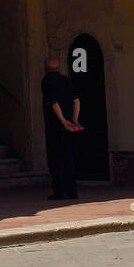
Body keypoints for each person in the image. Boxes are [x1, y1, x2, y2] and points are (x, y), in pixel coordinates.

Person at [40, 56, 81, 200]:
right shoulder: (66, 80)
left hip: (55, 126)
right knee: (68, 157)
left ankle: (59, 191)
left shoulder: (47, 81)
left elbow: (54, 102)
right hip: (69, 126)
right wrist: (74, 120)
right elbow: (76, 101)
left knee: (55, 159)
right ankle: (72, 191)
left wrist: (63, 120)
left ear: (46, 67)